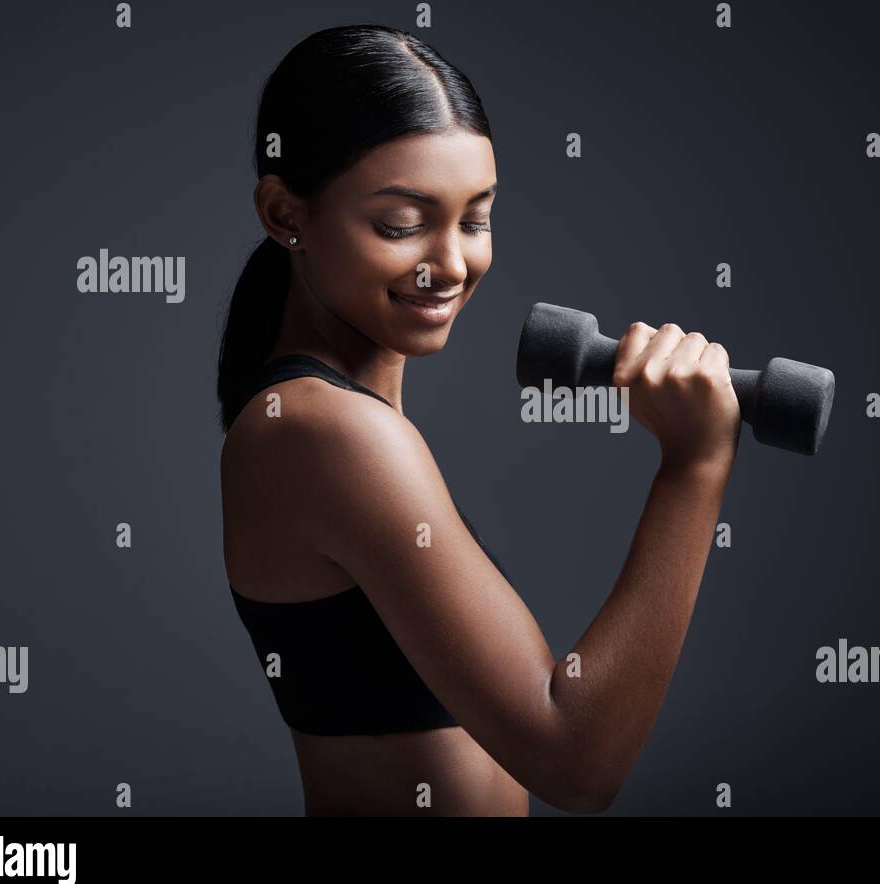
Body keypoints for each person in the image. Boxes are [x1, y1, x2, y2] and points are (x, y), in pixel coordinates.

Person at [217, 24, 741, 816]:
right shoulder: (323, 432)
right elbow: (575, 761)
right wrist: (694, 468)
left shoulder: (339, 422)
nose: (453, 263)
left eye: (475, 218)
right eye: (401, 223)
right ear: (285, 212)